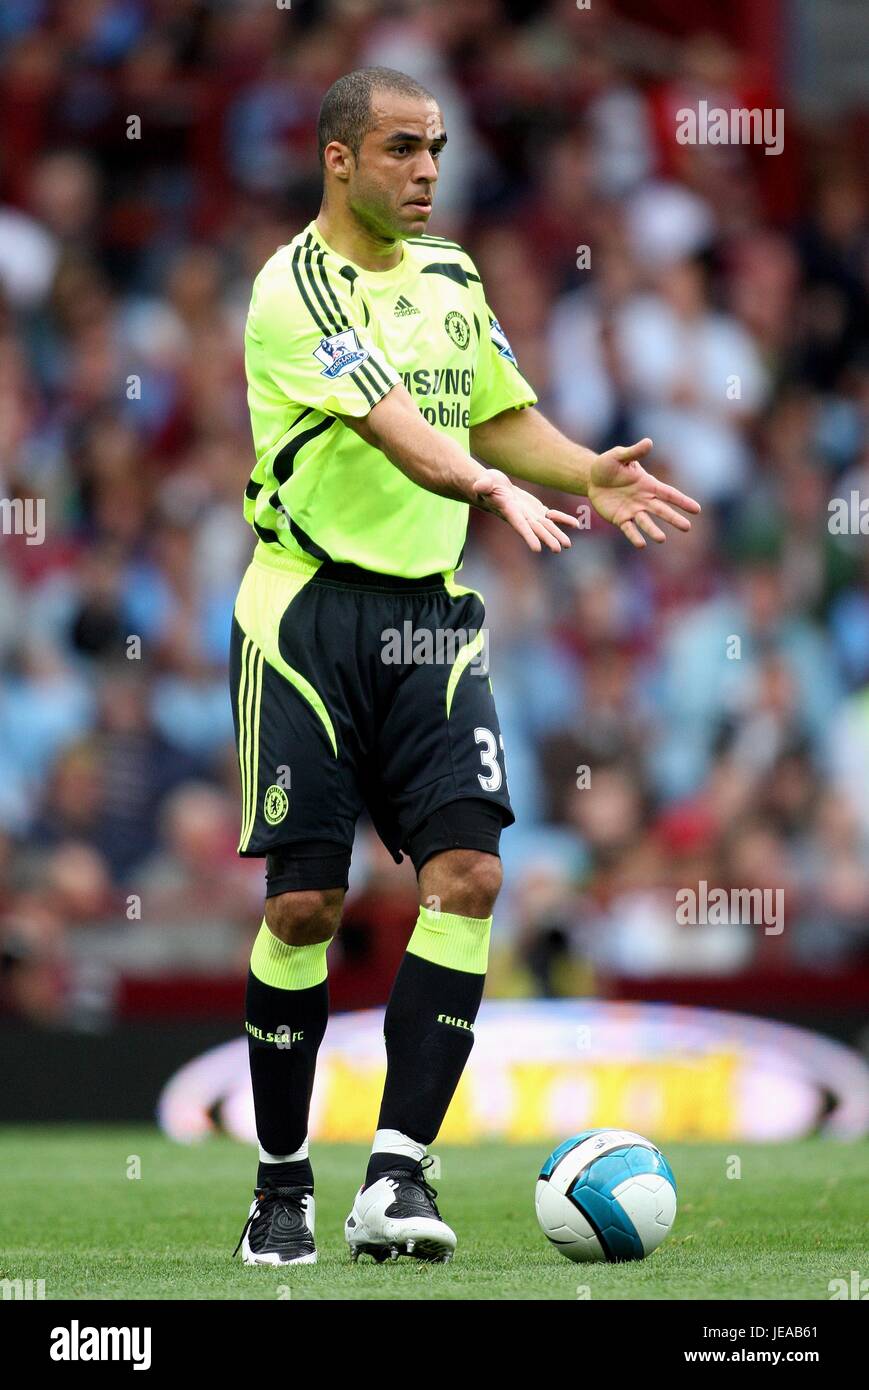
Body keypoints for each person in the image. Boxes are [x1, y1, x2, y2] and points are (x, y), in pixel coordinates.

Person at [231, 66, 699, 1266]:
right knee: (304, 906)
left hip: (431, 619)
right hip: (306, 617)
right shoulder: (294, 290)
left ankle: (396, 1173)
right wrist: (490, 487)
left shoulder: (450, 277)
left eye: (434, 147)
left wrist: (577, 467)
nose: (427, 170)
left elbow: (488, 413)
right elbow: (403, 429)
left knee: (471, 879)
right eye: (399, 149)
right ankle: (280, 1181)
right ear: (338, 158)